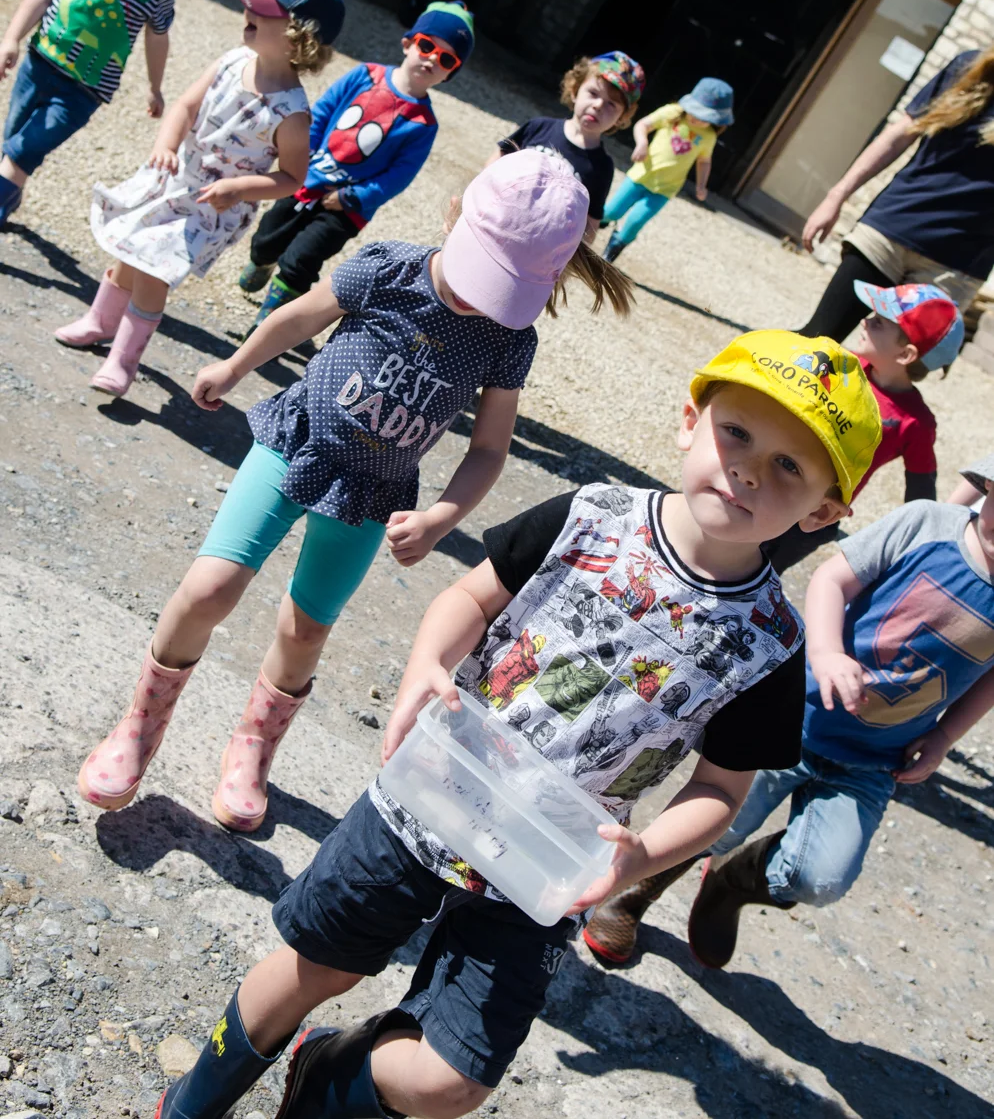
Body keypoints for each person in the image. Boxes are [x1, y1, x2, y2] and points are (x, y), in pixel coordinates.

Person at [151, 328, 879, 1119]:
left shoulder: (771, 643)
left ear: (827, 510)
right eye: (736, 432)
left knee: (450, 1082)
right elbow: (468, 598)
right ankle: (191, 1106)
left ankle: (326, 1075)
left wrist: (635, 860)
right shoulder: (593, 514)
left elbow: (719, 787)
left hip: (543, 868)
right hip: (427, 798)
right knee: (313, 966)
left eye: (788, 468)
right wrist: (426, 668)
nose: (746, 469)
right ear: (689, 419)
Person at [77, 150, 633, 835]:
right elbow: (301, 317)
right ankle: (138, 729)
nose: (476, 296)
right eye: (479, 269)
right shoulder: (388, 269)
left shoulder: (509, 340)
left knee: (305, 626)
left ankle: (252, 752)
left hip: (377, 489)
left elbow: (488, 449)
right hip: (298, 442)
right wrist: (235, 363)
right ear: (456, 212)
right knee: (210, 588)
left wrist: (439, 517)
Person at [585, 453, 994, 970]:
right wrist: (825, 653)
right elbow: (831, 578)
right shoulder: (927, 525)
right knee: (720, 822)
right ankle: (635, 895)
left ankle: (732, 880)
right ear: (986, 487)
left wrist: (945, 737)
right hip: (796, 722)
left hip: (875, 759)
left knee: (821, 879)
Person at [52, 0, 343, 398]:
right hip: (172, 180)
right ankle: (99, 322)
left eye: (262, 10)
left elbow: (292, 177)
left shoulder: (292, 112)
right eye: (251, 4)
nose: (248, 12)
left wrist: (241, 189)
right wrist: (166, 145)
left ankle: (123, 360)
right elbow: (186, 105)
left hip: (210, 206)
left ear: (298, 37)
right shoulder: (232, 60)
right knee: (129, 251)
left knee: (153, 270)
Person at [238, 0, 475, 330]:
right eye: (427, 46)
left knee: (303, 258)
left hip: (347, 209)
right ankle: (261, 261)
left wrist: (353, 198)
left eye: (446, 58)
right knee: (268, 236)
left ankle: (271, 323)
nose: (432, 58)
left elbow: (397, 176)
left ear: (450, 72)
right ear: (408, 43)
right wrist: (301, 159)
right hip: (308, 178)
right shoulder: (364, 76)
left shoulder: (423, 124)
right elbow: (320, 115)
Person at [0, 0, 206, 227]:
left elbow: (157, 36)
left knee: (23, 150)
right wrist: (11, 38)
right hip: (39, 62)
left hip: (84, 90)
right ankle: (10, 193)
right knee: (14, 142)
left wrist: (155, 87)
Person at [764, 280, 963, 573]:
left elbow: (920, 495)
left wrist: (918, 548)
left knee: (759, 576)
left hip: (815, 518)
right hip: (771, 483)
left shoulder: (915, 422)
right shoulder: (839, 365)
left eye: (879, 322)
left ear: (906, 355)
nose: (864, 321)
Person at [799, 47, 994, 341]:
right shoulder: (970, 67)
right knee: (818, 340)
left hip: (956, 264)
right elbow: (900, 133)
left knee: (892, 371)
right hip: (891, 229)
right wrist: (836, 196)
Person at [487, 50, 645, 239]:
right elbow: (497, 160)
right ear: (575, 90)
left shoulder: (602, 167)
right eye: (593, 93)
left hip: (537, 247)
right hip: (495, 219)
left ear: (622, 117)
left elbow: (590, 226)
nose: (598, 105)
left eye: (611, 104)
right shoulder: (539, 127)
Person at [600, 76, 734, 263]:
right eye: (695, 112)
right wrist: (642, 143)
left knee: (635, 222)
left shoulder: (708, 137)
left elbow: (704, 161)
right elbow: (643, 125)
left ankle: (614, 248)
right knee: (611, 211)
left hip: (665, 189)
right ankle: (596, 224)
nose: (697, 119)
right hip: (641, 176)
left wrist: (701, 185)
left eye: (705, 117)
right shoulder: (673, 113)